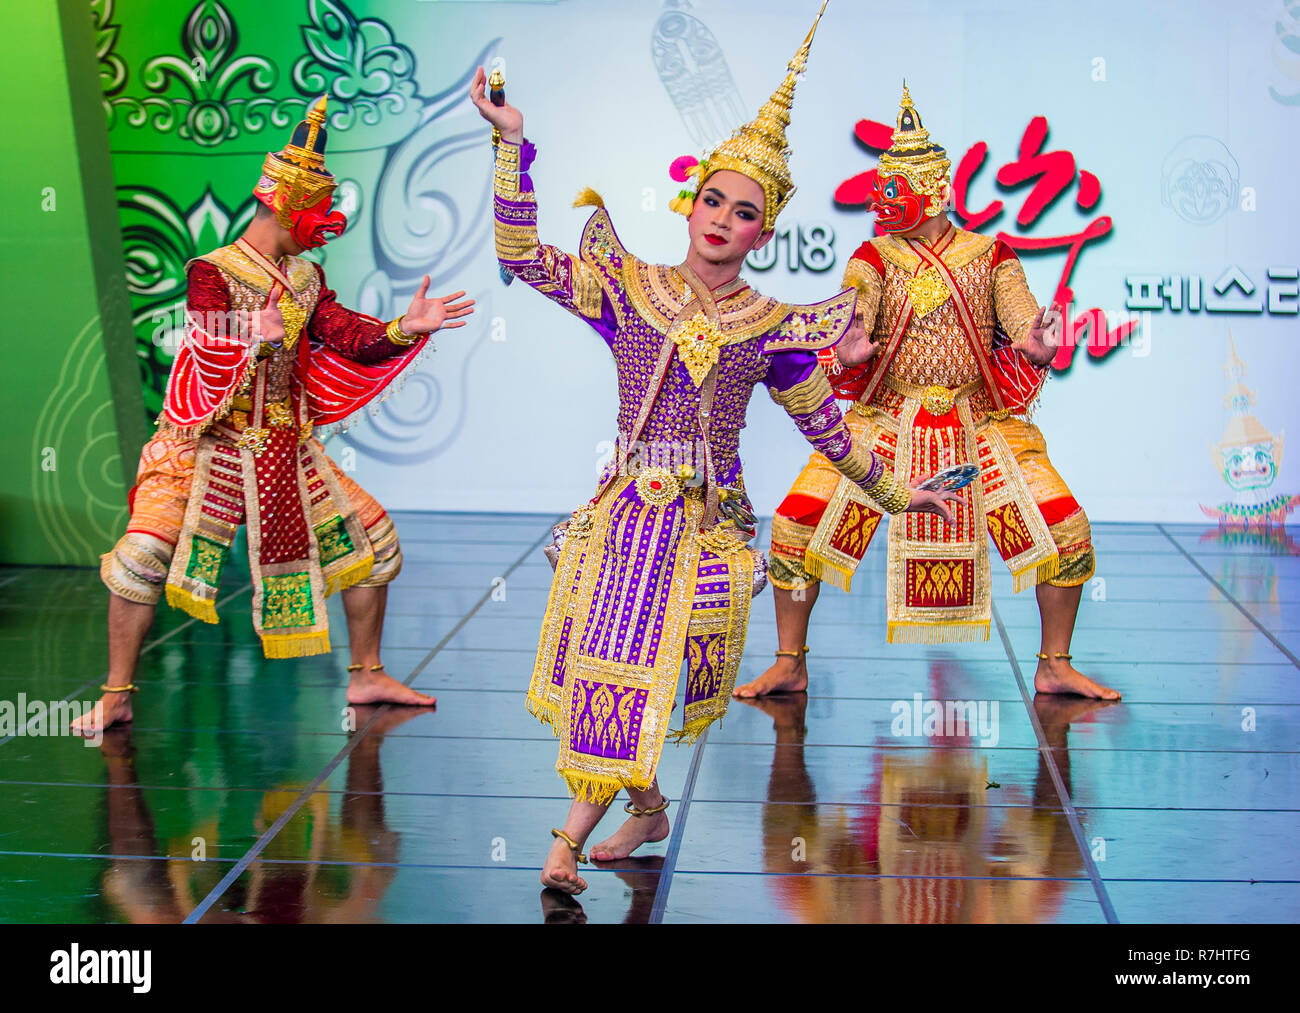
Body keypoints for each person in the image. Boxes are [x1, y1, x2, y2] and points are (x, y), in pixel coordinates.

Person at [470, 7, 959, 895]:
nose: (724, 220)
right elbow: (518, 253)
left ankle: (565, 844)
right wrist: (512, 144)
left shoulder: (772, 326)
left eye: (746, 212)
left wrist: (901, 493)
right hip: (623, 513)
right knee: (608, 675)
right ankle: (647, 807)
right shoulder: (629, 285)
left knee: (640, 670)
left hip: (702, 527)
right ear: (689, 203)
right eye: (714, 200)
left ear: (763, 234)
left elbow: (829, 430)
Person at [76, 97, 475, 734]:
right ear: (285, 206)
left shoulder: (306, 278)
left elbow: (347, 334)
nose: (328, 225)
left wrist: (404, 326)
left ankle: (366, 675)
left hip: (285, 450)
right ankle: (118, 692)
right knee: (140, 558)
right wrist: (246, 332)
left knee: (376, 545)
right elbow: (203, 333)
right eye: (319, 213)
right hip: (204, 444)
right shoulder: (213, 271)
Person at [734, 85, 1119, 702]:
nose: (882, 202)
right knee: (793, 526)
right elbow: (853, 321)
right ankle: (789, 661)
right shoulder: (873, 256)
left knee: (1065, 526)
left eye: (895, 189)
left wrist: (1036, 345)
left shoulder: (992, 254)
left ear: (935, 189)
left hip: (978, 420)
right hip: (886, 418)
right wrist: (845, 352)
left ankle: (1053, 663)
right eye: (880, 190)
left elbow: (1021, 320)